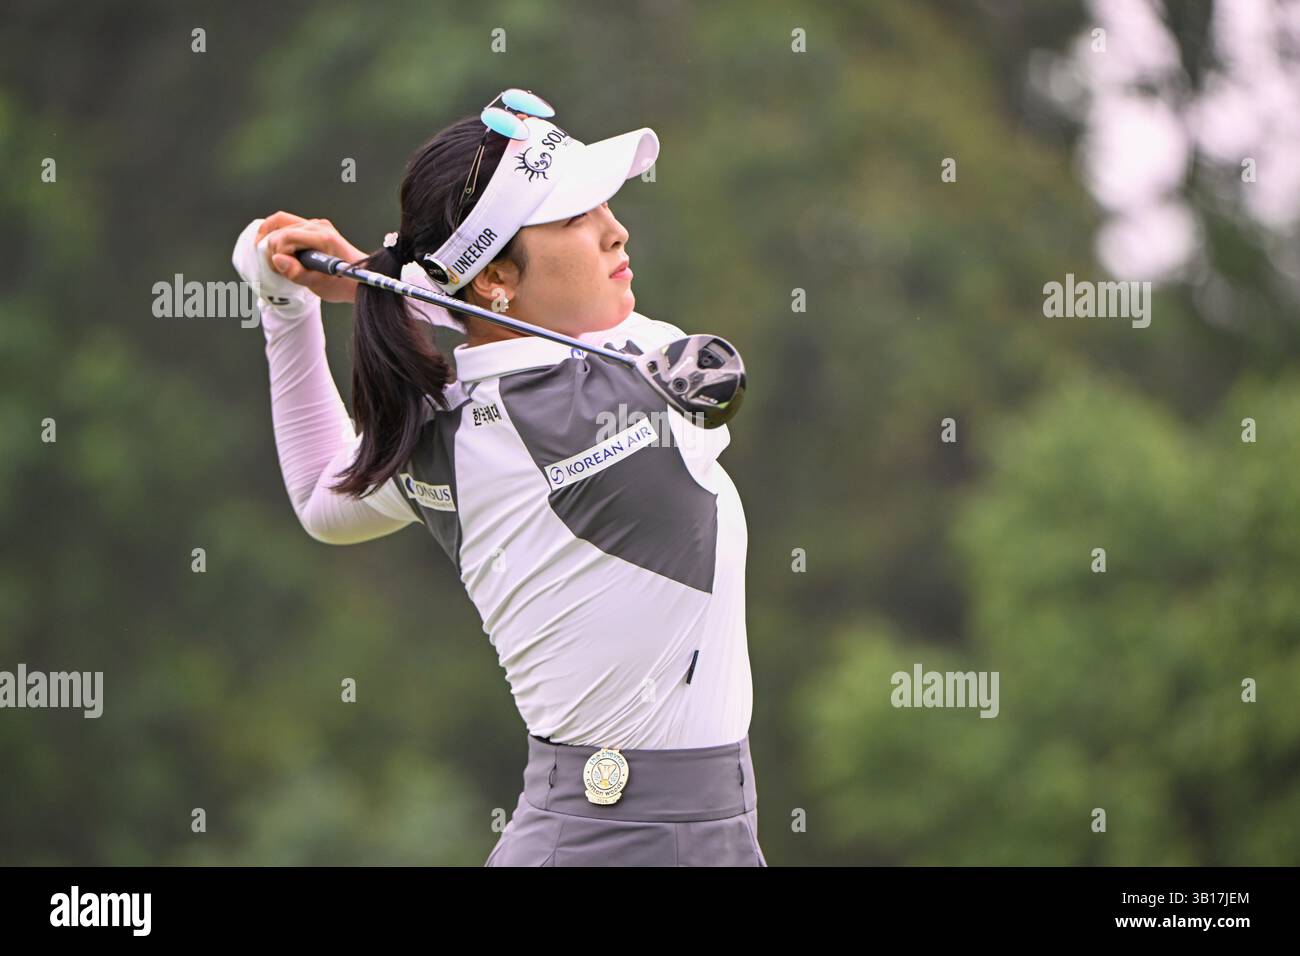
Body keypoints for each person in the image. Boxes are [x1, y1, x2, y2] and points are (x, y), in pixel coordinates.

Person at [230, 89, 765, 866]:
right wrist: (377, 283)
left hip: (627, 830)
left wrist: (287, 307)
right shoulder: (621, 391)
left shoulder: (439, 434)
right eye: (578, 218)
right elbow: (683, 361)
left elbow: (321, 494)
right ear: (493, 279)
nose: (616, 229)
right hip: (626, 840)